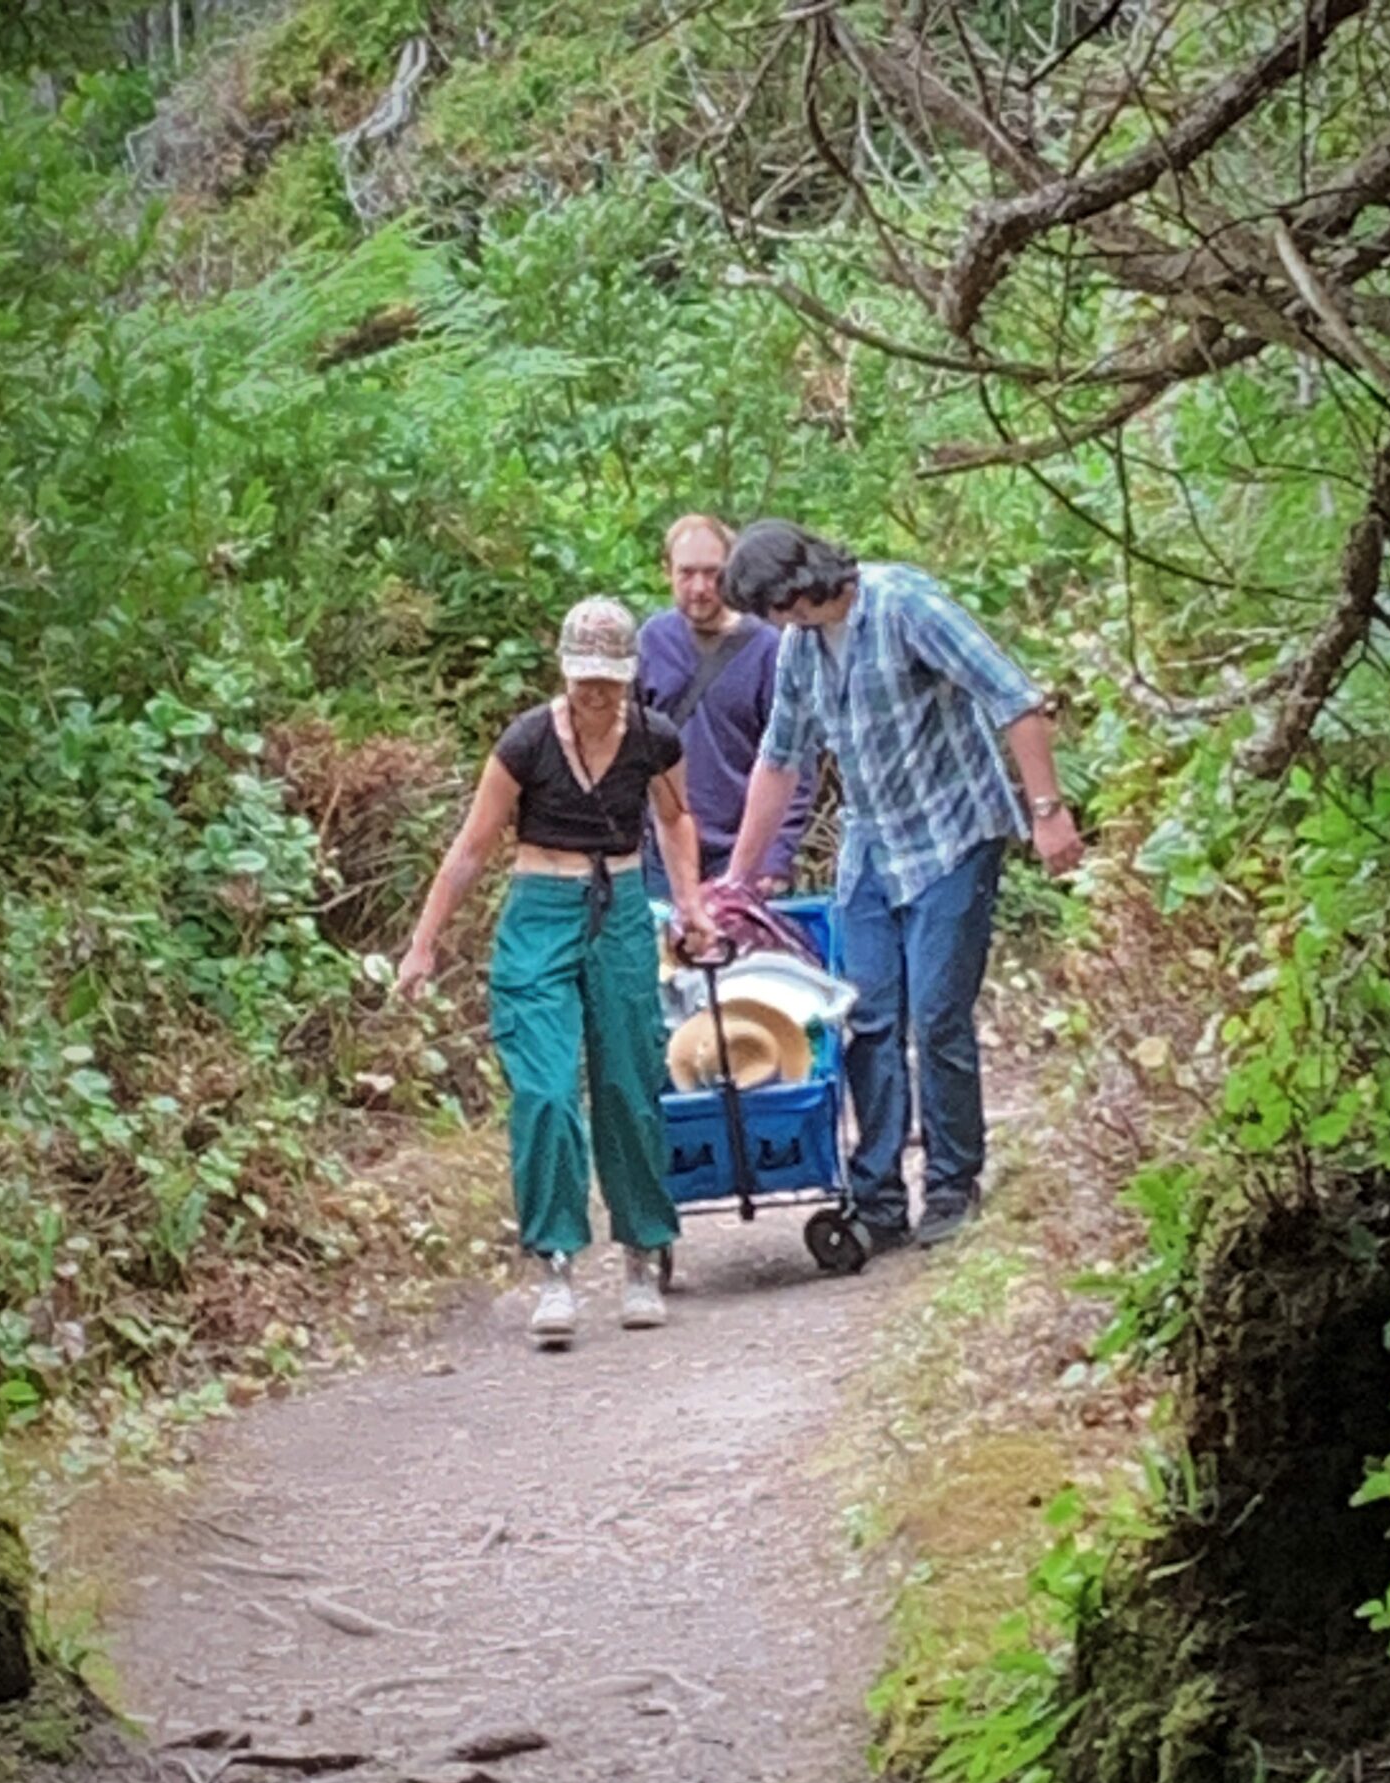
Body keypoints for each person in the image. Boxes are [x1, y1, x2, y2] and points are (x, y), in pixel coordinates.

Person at [719, 522, 1083, 1253]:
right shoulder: (800, 648)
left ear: (796, 588)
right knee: (865, 1015)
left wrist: (1048, 813)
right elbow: (780, 758)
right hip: (873, 847)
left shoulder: (906, 605)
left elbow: (1014, 699)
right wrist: (737, 879)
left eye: (770, 607)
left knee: (938, 1013)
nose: (769, 624)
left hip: (954, 833)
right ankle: (878, 1194)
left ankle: (952, 1180)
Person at [395, 596, 715, 1348]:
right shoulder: (527, 742)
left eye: (609, 679)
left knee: (629, 1082)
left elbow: (675, 818)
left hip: (625, 907)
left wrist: (691, 904)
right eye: (584, 680)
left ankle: (641, 1253)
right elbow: (473, 847)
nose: (597, 694)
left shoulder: (654, 740)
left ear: (629, 676)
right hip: (540, 908)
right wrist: (423, 942)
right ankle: (556, 1264)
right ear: (565, 674)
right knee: (543, 1090)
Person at [639, 513, 813, 899]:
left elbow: (795, 763)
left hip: (744, 852)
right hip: (661, 854)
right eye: (686, 574)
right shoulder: (651, 641)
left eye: (712, 573)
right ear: (667, 571)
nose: (699, 588)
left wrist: (774, 857)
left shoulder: (771, 648)